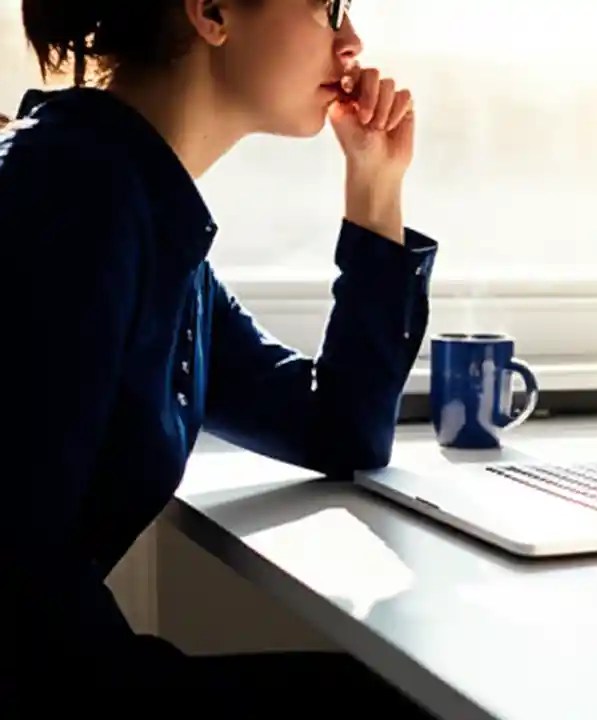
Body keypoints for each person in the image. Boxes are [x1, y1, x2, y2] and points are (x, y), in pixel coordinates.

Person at [0, 0, 438, 714]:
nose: (353, 43)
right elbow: (20, 577)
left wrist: (376, 188)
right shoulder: (73, 196)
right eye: (328, 7)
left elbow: (339, 428)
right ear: (210, 11)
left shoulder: (140, 206)